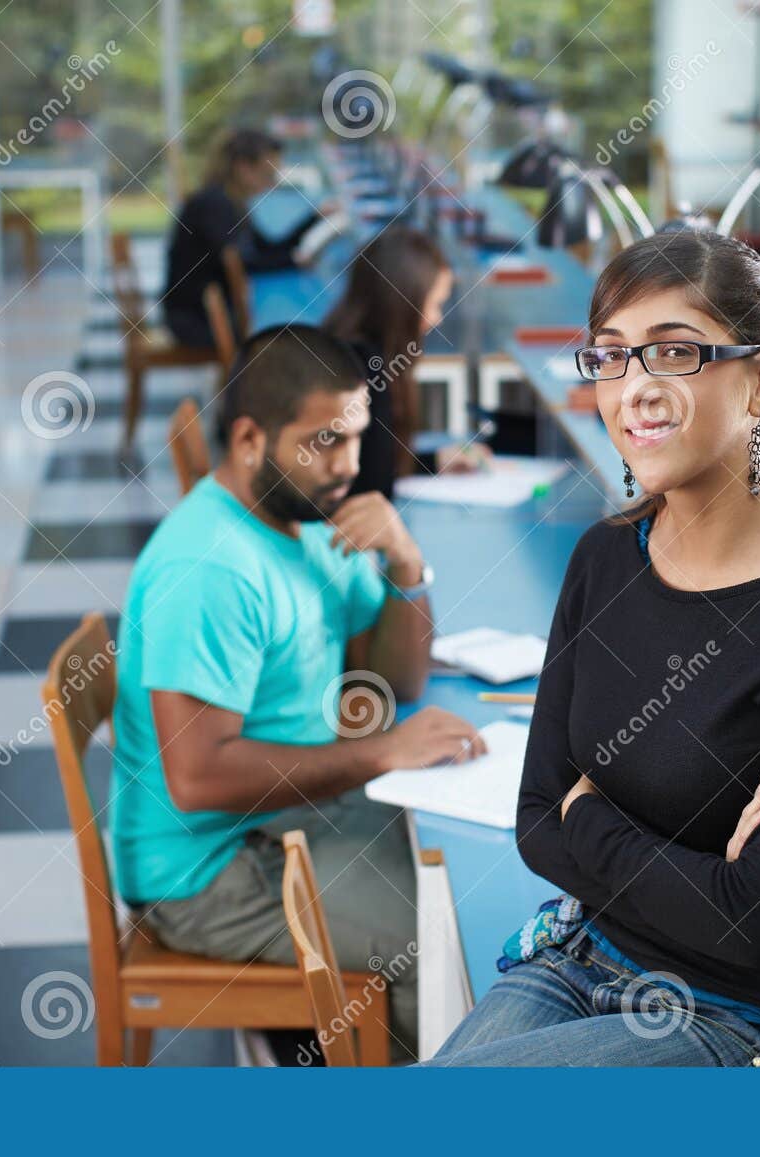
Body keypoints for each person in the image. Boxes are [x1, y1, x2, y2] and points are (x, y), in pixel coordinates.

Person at [424, 231, 760, 1067]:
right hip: (591, 954)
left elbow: (751, 925)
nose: (635, 391)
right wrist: (691, 871)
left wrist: (593, 818)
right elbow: (537, 820)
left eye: (676, 353)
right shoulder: (605, 559)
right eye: (612, 358)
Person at [110, 323, 486, 1061]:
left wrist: (408, 563)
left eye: (356, 437)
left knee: (473, 894)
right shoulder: (211, 569)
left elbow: (397, 680)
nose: (348, 465)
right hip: (209, 869)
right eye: (325, 442)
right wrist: (380, 751)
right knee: (446, 946)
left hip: (288, 815)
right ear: (251, 438)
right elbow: (198, 778)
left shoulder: (307, 519)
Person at [324, 225, 491, 497]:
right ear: (403, 303)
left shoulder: (343, 344)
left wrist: (435, 460)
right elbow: (374, 489)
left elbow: (374, 464)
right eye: (434, 304)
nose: (437, 319)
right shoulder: (369, 371)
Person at [161, 127, 321, 349]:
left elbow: (267, 248)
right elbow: (242, 263)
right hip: (194, 322)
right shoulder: (214, 205)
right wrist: (294, 262)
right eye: (269, 175)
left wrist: (315, 218)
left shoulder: (231, 202)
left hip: (207, 315)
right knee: (296, 338)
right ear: (243, 169)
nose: (273, 183)